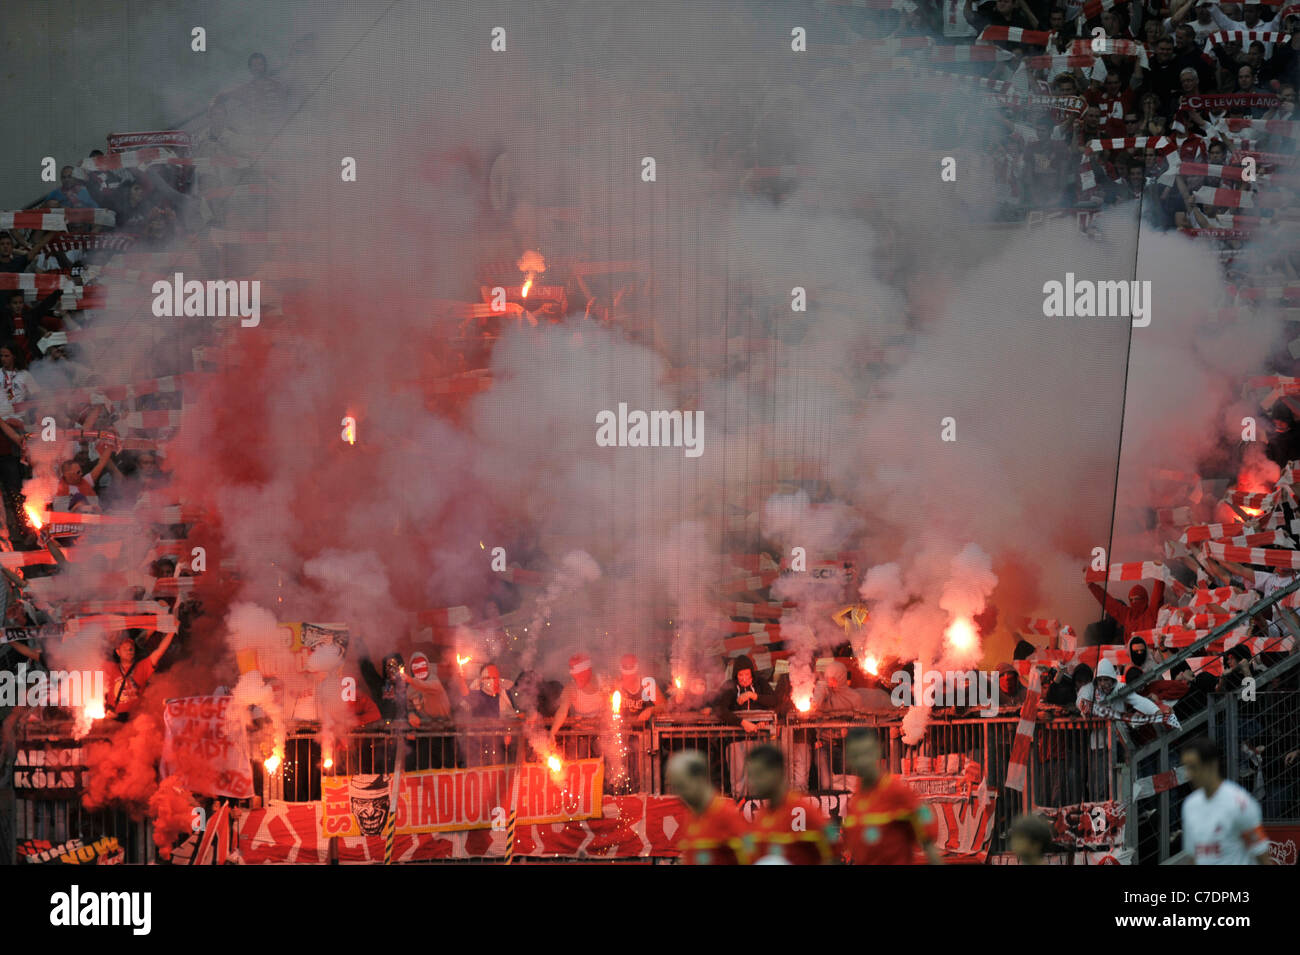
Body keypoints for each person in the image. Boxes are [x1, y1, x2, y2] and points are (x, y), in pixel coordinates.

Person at [839, 727, 942, 865]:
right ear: (849, 759)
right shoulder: (855, 802)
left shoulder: (896, 792)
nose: (863, 761)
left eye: (866, 753)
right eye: (856, 755)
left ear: (877, 751)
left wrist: (930, 850)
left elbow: (925, 815)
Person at [1180, 737, 1274, 864]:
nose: (1188, 775)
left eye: (1193, 767)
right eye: (1186, 768)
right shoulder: (1190, 805)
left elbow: (1262, 857)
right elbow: (1193, 857)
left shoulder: (1240, 803)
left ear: (1212, 765)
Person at [743, 744, 833, 864]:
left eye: (759, 774)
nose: (753, 782)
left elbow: (833, 853)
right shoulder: (761, 817)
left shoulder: (803, 810)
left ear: (778, 771)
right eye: (751, 776)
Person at [665, 750, 749, 865]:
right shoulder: (691, 817)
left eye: (682, 786)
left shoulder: (727, 815)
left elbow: (751, 856)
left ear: (700, 779)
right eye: (676, 787)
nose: (680, 793)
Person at [713, 653, 777, 796]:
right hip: (737, 739)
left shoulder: (761, 683)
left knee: (759, 777)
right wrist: (742, 723)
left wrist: (753, 696)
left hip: (760, 738)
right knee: (739, 778)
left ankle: (758, 809)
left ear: (752, 674)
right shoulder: (730, 686)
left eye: (746, 674)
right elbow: (720, 710)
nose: (743, 678)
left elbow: (774, 701)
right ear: (736, 675)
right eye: (740, 675)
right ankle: (740, 806)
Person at [106, 631, 175, 720]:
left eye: (131, 649)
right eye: (125, 649)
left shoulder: (142, 666)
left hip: (134, 719)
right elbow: (93, 658)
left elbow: (160, 651)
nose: (129, 651)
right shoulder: (110, 668)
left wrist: (172, 631)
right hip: (113, 719)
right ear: (118, 652)